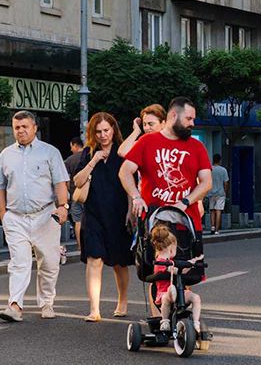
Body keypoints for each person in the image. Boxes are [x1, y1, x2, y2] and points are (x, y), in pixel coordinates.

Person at [119, 97, 213, 317]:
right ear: (173, 116)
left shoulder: (196, 147)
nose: (192, 123)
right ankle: (158, 320)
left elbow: (207, 182)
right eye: (188, 118)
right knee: (158, 273)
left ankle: (181, 318)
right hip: (155, 220)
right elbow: (124, 171)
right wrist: (136, 197)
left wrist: (185, 202)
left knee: (185, 272)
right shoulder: (147, 142)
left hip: (186, 221)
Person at [0, 111, 69, 322]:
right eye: (17, 127)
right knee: (19, 263)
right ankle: (15, 305)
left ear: (35, 128)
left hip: (45, 215)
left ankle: (47, 302)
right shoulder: (6, 155)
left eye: (25, 126)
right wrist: (4, 215)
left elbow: (60, 182)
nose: (21, 130)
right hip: (16, 218)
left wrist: (63, 206)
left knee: (49, 263)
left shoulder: (50, 152)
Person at [71, 112, 133, 321]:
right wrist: (94, 161)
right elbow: (78, 181)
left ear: (113, 129)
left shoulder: (122, 152)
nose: (103, 135)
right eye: (98, 132)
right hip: (93, 214)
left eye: (106, 130)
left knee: (119, 262)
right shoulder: (89, 152)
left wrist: (130, 211)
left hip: (118, 214)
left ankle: (122, 300)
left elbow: (131, 183)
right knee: (94, 259)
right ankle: (94, 309)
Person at [148, 223, 204, 338]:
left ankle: (196, 322)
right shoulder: (160, 262)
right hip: (163, 293)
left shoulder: (171, 261)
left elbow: (181, 271)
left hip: (179, 292)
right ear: (171, 248)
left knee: (195, 297)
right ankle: (165, 321)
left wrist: (192, 262)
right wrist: (181, 266)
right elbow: (174, 270)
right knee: (168, 295)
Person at [63, 137, 86, 245]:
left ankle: (80, 247)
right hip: (90, 194)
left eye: (71, 147)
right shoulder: (90, 156)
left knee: (78, 221)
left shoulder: (69, 160)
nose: (71, 149)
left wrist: (69, 191)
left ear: (75, 145)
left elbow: (66, 180)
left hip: (76, 195)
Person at [208, 154, 230, 235]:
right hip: (220, 193)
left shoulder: (210, 169)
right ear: (220, 160)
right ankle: (217, 230)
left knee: (212, 211)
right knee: (218, 211)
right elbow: (226, 182)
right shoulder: (223, 170)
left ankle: (212, 227)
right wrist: (225, 192)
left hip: (211, 192)